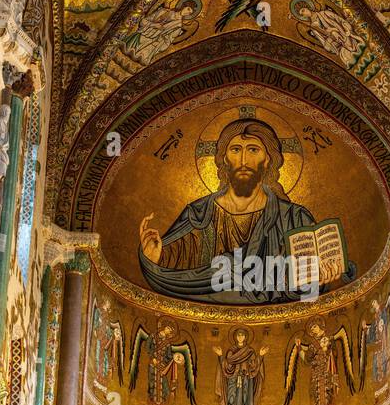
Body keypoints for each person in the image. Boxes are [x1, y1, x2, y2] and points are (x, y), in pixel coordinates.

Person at [138, 119, 348, 303]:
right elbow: (175, 276)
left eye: (253, 150)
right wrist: (154, 258)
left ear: (268, 159)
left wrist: (319, 283)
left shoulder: (294, 218)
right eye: (236, 149)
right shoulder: (198, 215)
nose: (243, 160)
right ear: (224, 159)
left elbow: (305, 298)